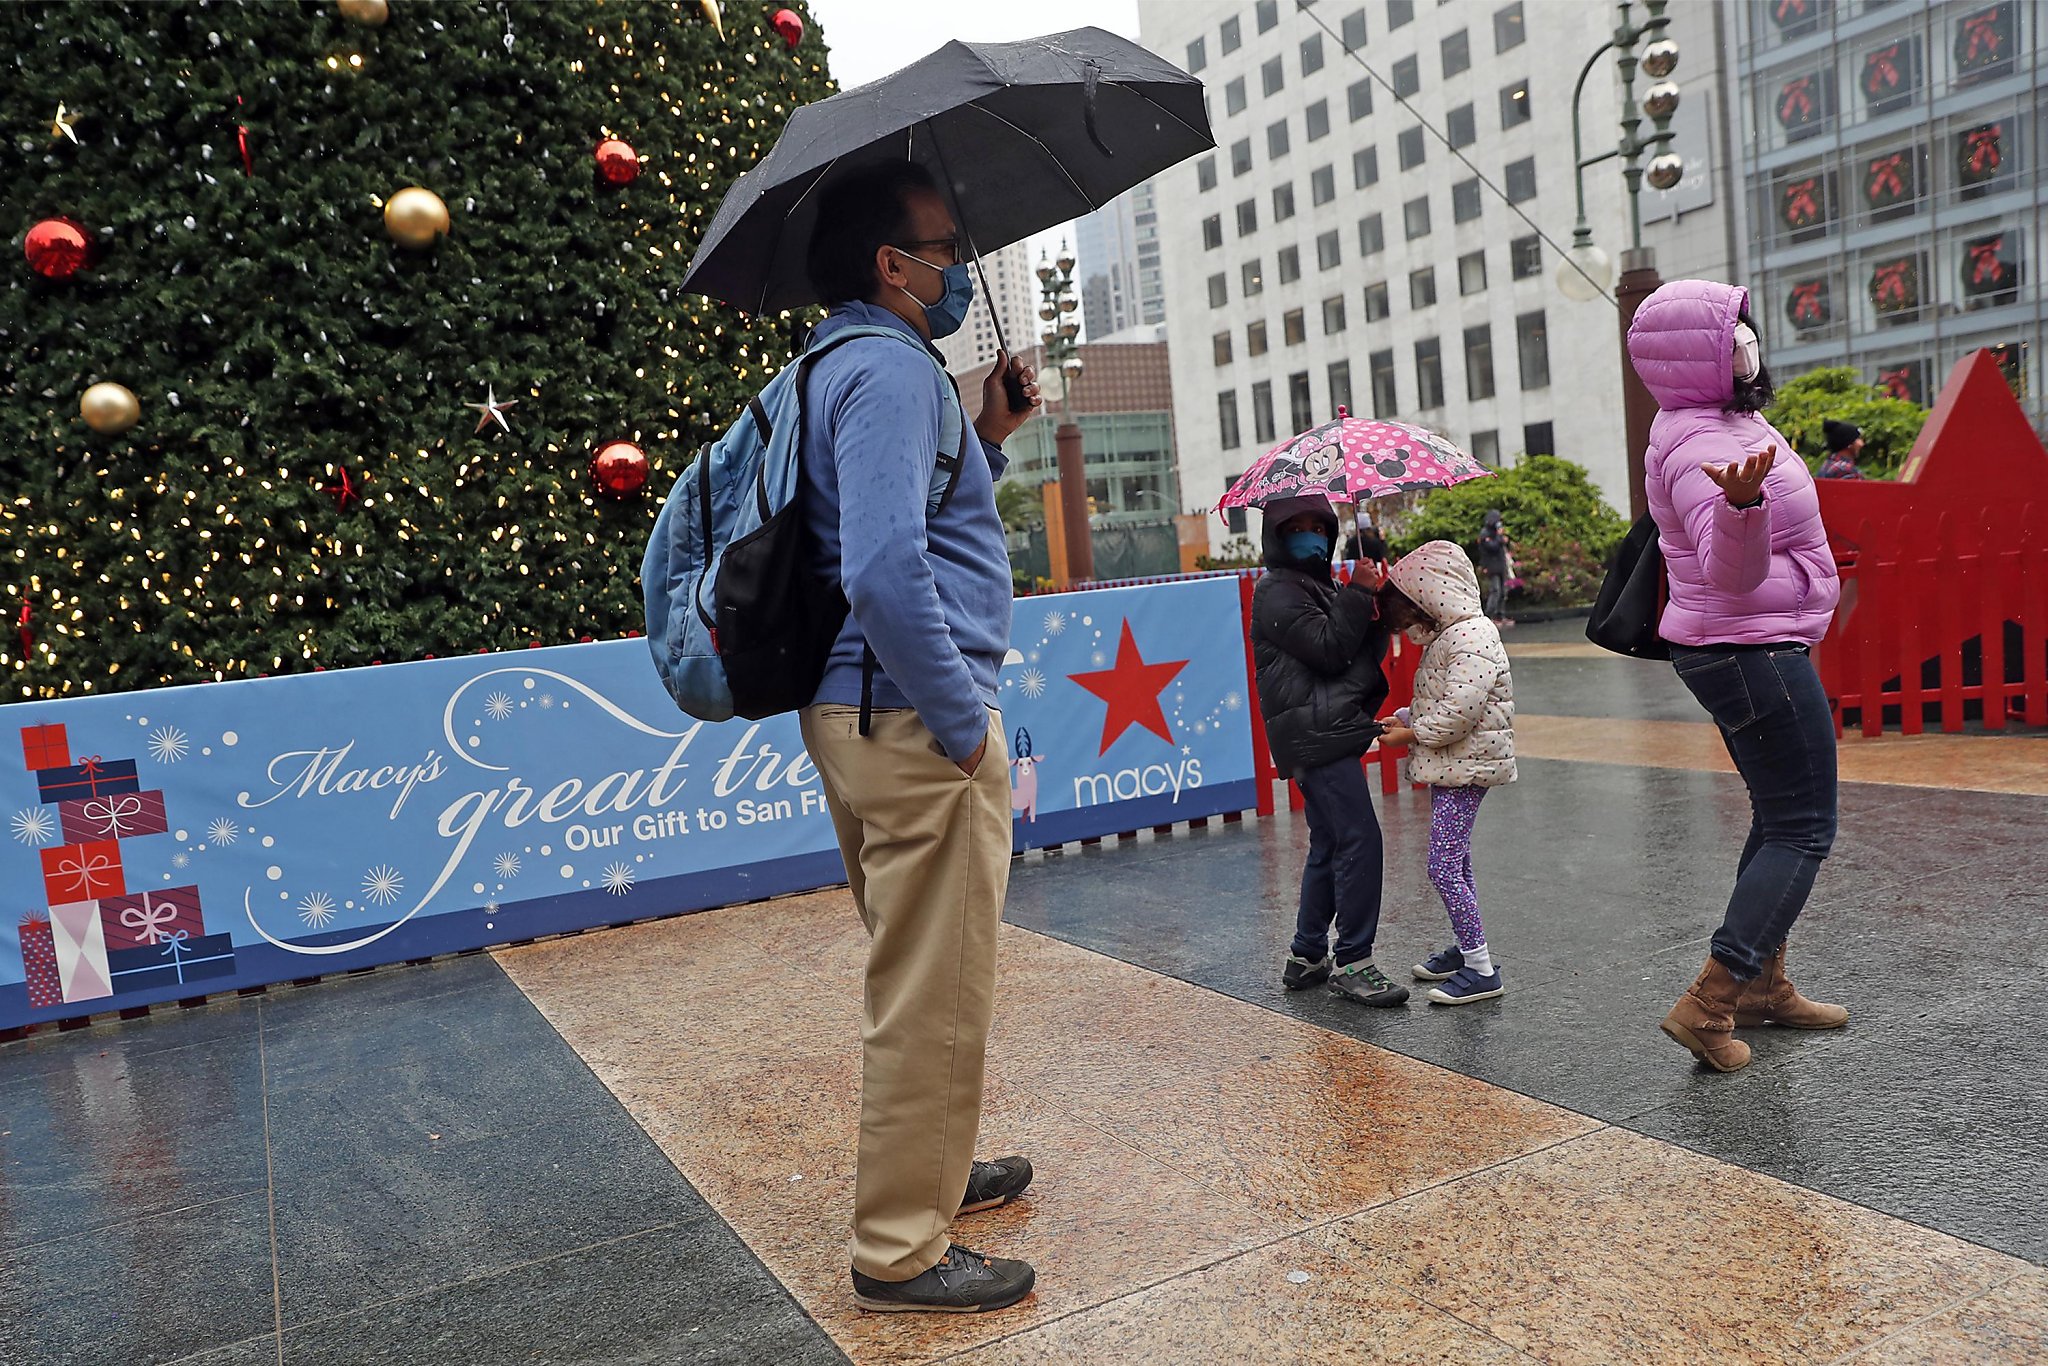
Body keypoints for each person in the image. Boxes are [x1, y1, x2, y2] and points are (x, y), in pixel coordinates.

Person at [798, 161, 1043, 1313]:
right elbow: (887, 566)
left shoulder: (834, 365)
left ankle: (934, 1169)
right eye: (942, 249)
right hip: (909, 715)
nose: (958, 269)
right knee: (929, 989)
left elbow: (907, 519)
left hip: (852, 704)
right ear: (891, 265)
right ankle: (900, 1245)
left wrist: (984, 431)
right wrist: (960, 726)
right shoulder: (892, 374)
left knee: (923, 976)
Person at [1626, 281, 1848, 1074]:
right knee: (1804, 827)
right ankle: (1712, 1000)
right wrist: (1745, 509)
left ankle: (1761, 988)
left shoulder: (1727, 421)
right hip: (1751, 651)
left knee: (1779, 814)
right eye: (1735, 334)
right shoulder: (1701, 444)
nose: (1750, 343)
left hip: (1753, 644)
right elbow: (1728, 575)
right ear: (1701, 356)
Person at [1249, 496, 1407, 1007]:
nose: (1309, 535)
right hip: (1313, 734)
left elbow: (1356, 651)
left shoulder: (1316, 585)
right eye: (1295, 527)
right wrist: (1358, 596)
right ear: (1275, 534)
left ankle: (1307, 953)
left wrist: (1377, 612)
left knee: (1332, 840)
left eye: (1319, 526)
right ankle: (1355, 961)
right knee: (1360, 838)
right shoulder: (1276, 591)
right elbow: (1330, 650)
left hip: (1322, 729)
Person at [1374, 541, 1516, 1005]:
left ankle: (1480, 967)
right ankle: (1467, 944)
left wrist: (1412, 734)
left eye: (1413, 620)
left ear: (1433, 601)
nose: (1412, 633)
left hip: (1467, 764)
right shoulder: (1454, 636)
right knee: (1455, 862)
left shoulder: (1471, 637)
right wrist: (1407, 716)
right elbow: (1444, 698)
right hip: (1456, 762)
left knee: (1442, 866)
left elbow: (1460, 709)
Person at [1475, 510, 1513, 625]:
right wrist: (1500, 538)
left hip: (1501, 565)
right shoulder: (1485, 534)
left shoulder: (1496, 533)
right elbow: (1492, 547)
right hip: (1491, 566)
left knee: (1503, 591)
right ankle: (1488, 615)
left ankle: (1500, 615)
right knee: (1495, 590)